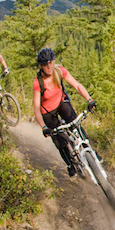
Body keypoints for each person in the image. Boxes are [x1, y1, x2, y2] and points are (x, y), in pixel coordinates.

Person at [32, 47, 97, 177]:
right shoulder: (38, 83)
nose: (49, 66)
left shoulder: (59, 71)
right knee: (60, 141)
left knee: (75, 123)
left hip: (61, 103)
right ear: (41, 66)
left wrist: (89, 99)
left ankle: (90, 152)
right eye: (46, 64)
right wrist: (43, 127)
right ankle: (70, 164)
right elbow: (36, 108)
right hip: (47, 112)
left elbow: (77, 85)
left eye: (51, 62)